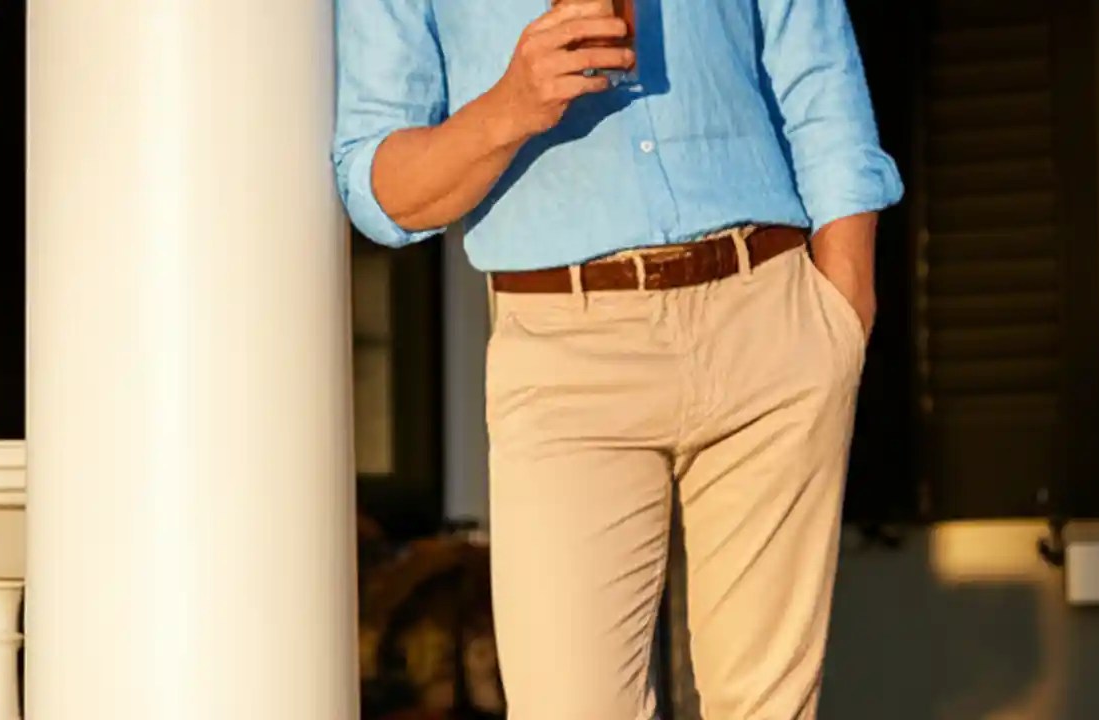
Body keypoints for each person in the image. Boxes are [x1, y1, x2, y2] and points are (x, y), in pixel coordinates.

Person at [333, 0, 902, 717]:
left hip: (769, 312)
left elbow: (817, 65)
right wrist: (510, 106)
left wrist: (845, 296)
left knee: (770, 707)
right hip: (566, 349)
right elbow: (378, 190)